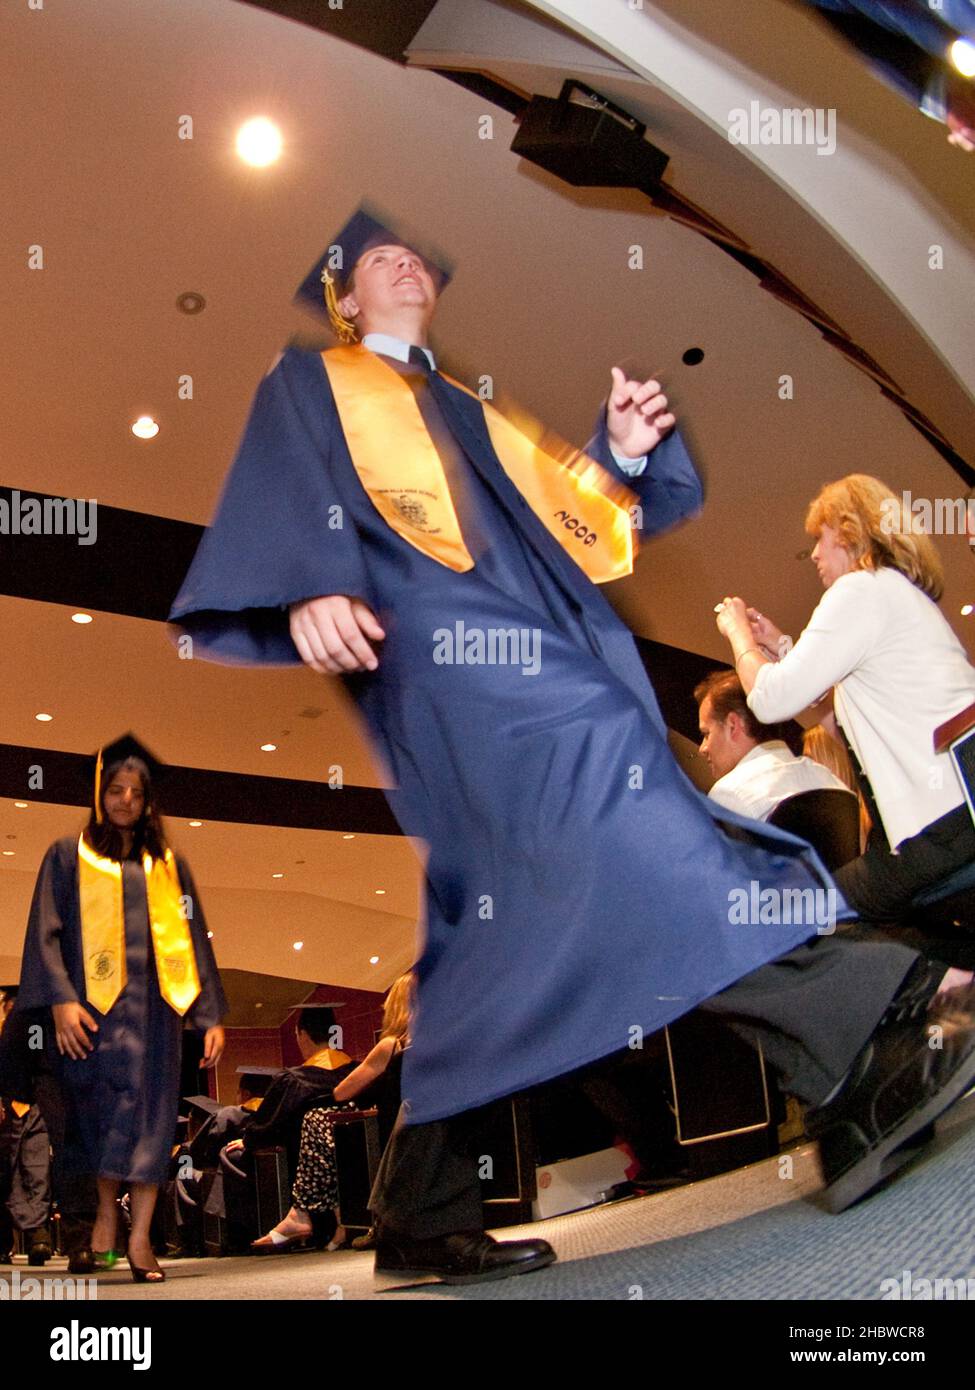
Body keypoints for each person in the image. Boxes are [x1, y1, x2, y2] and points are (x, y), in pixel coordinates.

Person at [170, 210, 975, 1283]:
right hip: (455, 670)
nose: (404, 256)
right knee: (631, 814)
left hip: (535, 657)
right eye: (372, 260)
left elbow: (563, 524)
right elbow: (288, 496)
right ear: (345, 300)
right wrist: (311, 578)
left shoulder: (468, 409)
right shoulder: (313, 385)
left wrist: (620, 459)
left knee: (497, 932)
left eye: (411, 248)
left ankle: (419, 1205)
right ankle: (860, 1027)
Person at [715, 474, 975, 940]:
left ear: (851, 532)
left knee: (805, 922)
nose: (814, 553)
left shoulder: (860, 590)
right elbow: (840, 721)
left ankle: (938, 991)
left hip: (937, 829)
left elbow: (772, 699)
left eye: (821, 539)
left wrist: (739, 637)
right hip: (955, 819)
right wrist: (785, 649)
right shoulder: (895, 594)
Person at [13, 733, 227, 1283]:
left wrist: (210, 1015)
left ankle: (139, 1239)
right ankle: (107, 1209)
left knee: (155, 1123)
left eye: (136, 791)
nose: (126, 799)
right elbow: (46, 933)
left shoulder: (168, 866)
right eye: (115, 789)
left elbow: (194, 941)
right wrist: (60, 1000)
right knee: (101, 1120)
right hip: (94, 1015)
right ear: (98, 794)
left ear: (149, 799)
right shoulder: (67, 857)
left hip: (158, 1015)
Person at [217, 1004, 355, 1251]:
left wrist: (249, 1140)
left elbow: (268, 1125)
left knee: (234, 1154)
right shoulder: (354, 1071)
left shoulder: (294, 1079)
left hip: (298, 1165)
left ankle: (248, 1237)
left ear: (302, 1034)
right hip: (352, 1161)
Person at [695, 669, 854, 821]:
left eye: (706, 734)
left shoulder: (729, 796)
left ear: (733, 725)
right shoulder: (831, 782)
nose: (703, 748)